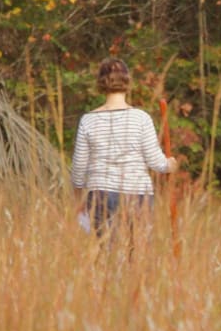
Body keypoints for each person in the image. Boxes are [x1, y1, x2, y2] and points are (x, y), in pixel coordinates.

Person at [71, 57, 178, 255]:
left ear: (101, 83)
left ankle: (112, 285)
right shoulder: (141, 118)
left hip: (100, 195)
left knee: (108, 255)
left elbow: (78, 168)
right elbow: (156, 162)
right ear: (127, 82)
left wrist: (79, 199)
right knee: (136, 256)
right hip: (137, 195)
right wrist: (169, 164)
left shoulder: (88, 120)